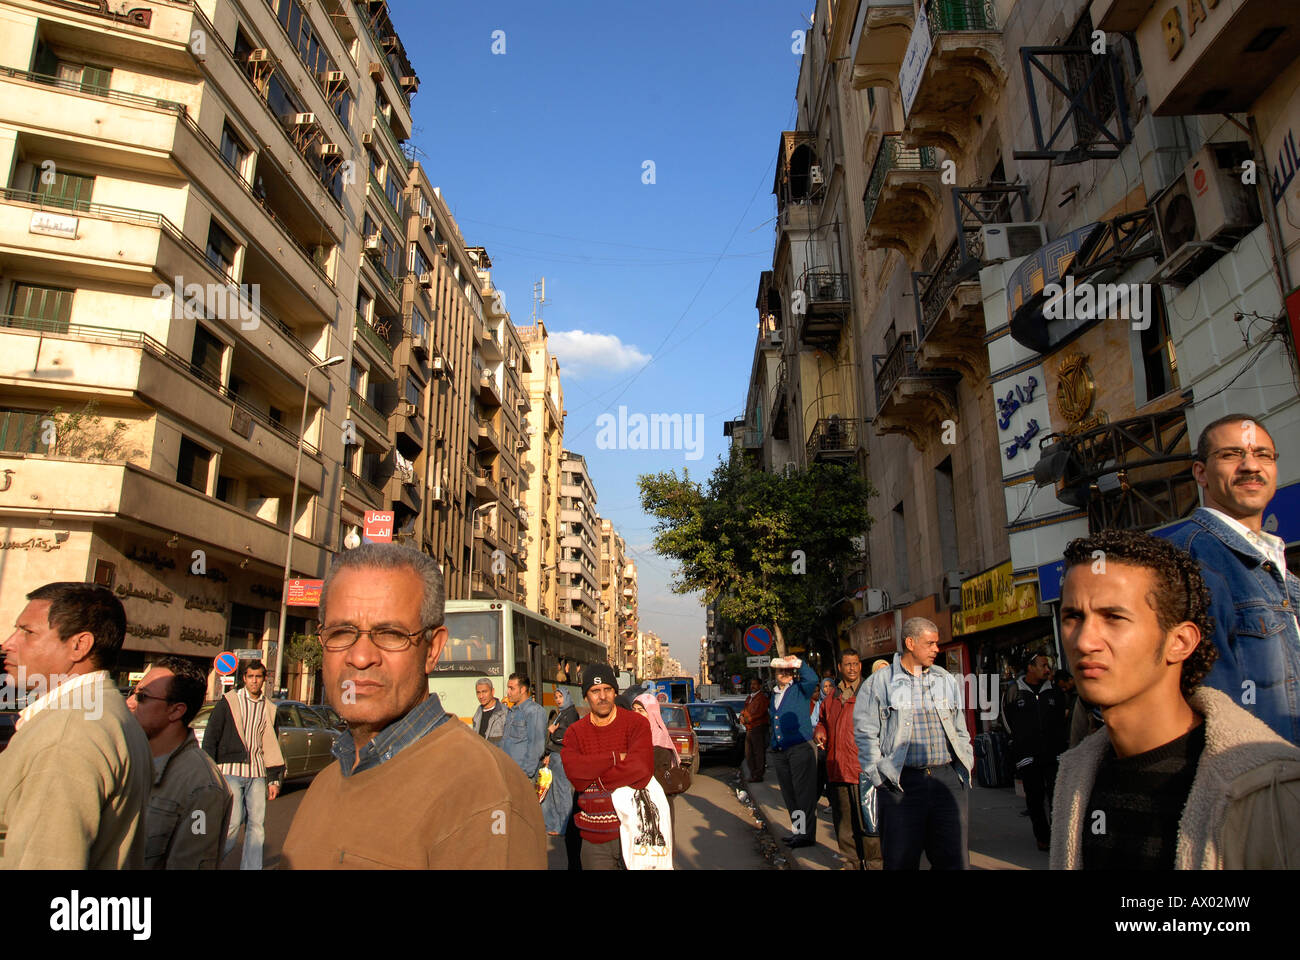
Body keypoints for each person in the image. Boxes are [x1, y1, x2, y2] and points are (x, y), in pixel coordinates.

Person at [281, 543, 545, 868]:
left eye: (390, 634)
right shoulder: (325, 782)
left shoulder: (485, 794)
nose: (361, 657)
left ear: (433, 650)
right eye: (341, 632)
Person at [1052, 529, 1300, 869]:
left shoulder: (1269, 788)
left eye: (1114, 618)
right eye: (1073, 617)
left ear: (1180, 641)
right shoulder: (1076, 776)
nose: (1084, 641)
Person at [1158, 414, 1300, 745]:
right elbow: (1196, 697)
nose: (1251, 466)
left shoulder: (1275, 564)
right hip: (1254, 779)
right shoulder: (1188, 556)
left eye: (1263, 454)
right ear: (1201, 473)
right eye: (1232, 454)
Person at [0, 582, 151, 867]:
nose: (8, 643)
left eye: (27, 633)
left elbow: (48, 860)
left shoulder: (68, 732)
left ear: (79, 645)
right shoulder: (102, 711)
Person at [854, 617, 974, 870]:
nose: (936, 649)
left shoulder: (945, 680)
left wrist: (966, 761)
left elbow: (960, 727)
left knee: (954, 860)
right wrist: (880, 779)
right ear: (910, 643)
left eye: (936, 644)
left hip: (946, 781)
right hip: (901, 784)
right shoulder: (878, 683)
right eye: (930, 643)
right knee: (900, 860)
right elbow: (866, 735)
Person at [127, 656, 233, 869]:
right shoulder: (128, 759)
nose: (130, 703)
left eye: (142, 697)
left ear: (176, 710)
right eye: (133, 693)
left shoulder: (204, 788)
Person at [561, 665, 654, 869]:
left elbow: (641, 769)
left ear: (615, 692)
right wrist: (614, 758)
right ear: (586, 696)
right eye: (595, 691)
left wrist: (595, 779)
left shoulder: (636, 724)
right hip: (595, 840)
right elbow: (575, 773)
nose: (602, 696)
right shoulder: (575, 732)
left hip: (637, 834)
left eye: (607, 690)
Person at [201, 659, 284, 870]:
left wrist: (274, 779)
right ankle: (208, 864)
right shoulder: (229, 702)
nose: (254, 682)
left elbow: (272, 745)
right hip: (230, 772)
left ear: (264, 679)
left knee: (257, 826)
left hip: (257, 773)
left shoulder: (269, 708)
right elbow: (211, 737)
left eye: (258, 677)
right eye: (250, 677)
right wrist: (209, 772)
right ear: (244, 679)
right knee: (232, 823)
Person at [814, 648, 881, 869]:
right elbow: (822, 721)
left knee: (869, 823)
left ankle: (873, 864)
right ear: (840, 667)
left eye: (856, 664)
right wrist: (820, 732)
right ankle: (850, 862)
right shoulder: (832, 697)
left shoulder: (871, 692)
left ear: (860, 666)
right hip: (837, 768)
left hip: (864, 770)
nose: (852, 668)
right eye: (848, 664)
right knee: (844, 823)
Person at [1002, 652, 1068, 852]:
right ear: (1031, 667)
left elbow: (1062, 721)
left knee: (1058, 796)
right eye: (1043, 665)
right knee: (1035, 798)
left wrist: (1062, 748)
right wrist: (1017, 745)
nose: (1047, 669)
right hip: (1027, 756)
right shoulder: (1014, 692)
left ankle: (1061, 837)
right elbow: (1006, 721)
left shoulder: (1054, 692)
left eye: (1048, 665)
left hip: (1053, 754)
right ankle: (1043, 838)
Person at [768, 655, 820, 848]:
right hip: (781, 751)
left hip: (800, 748)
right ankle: (798, 831)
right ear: (775, 673)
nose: (784, 674)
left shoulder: (800, 689)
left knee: (803, 794)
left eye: (787, 671)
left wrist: (799, 663)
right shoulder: (773, 694)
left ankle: (806, 836)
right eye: (780, 671)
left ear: (792, 673)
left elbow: (813, 679)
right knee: (790, 795)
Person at [633, 692, 682, 832]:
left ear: (651, 712)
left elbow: (655, 778)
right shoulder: (636, 735)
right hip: (640, 805)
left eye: (641, 710)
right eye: (634, 710)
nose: (636, 714)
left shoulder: (659, 741)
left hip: (657, 805)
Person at [541, 686, 578, 836]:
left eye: (560, 697)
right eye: (556, 697)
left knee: (562, 791)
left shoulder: (570, 714)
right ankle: (558, 825)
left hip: (561, 755)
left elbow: (565, 737)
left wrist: (553, 732)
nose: (558, 700)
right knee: (555, 792)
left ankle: (565, 826)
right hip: (556, 755)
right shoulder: (563, 713)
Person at [502, 673, 547, 780]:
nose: (508, 692)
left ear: (522, 689)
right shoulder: (512, 711)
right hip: (508, 772)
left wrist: (525, 774)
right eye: (508, 688)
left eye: (511, 688)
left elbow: (536, 747)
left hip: (522, 776)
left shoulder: (534, 711)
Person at [738, 676, 770, 782]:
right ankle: (753, 773)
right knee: (748, 753)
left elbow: (760, 713)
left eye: (755, 684)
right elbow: (744, 709)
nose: (752, 686)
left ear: (759, 686)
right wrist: (741, 716)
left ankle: (758, 774)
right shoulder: (750, 698)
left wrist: (747, 719)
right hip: (749, 729)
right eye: (751, 684)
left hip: (757, 727)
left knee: (758, 752)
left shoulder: (762, 698)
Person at [471, 678, 506, 746]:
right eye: (478, 692)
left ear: (492, 691)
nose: (481, 696)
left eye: (484, 692)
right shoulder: (477, 714)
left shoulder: (504, 713)